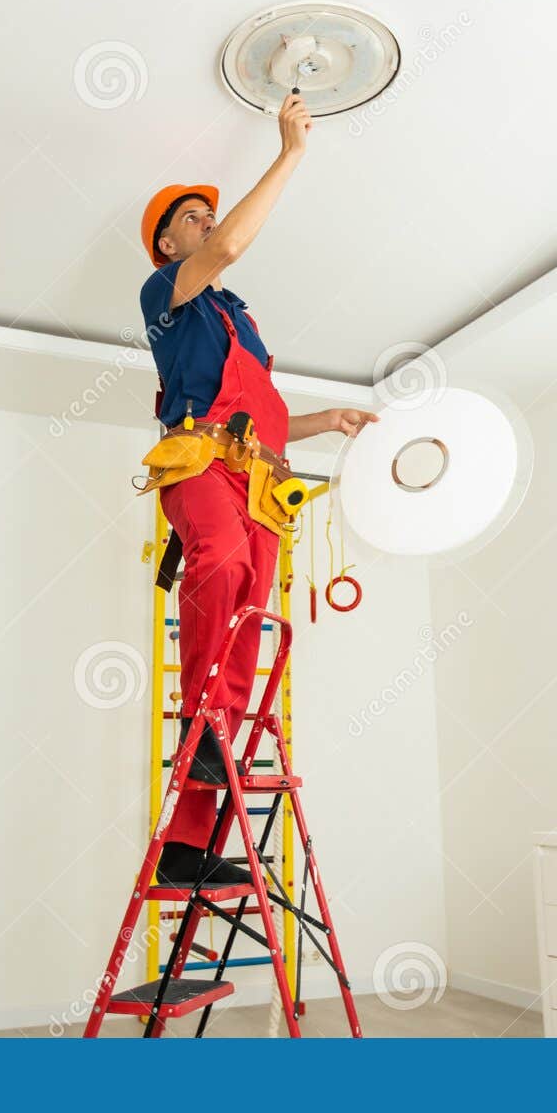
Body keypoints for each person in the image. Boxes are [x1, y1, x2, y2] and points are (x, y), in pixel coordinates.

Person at [137, 93, 377, 885]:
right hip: (202, 464)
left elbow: (262, 416)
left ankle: (190, 843)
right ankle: (204, 730)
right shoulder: (168, 296)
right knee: (221, 561)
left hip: (264, 477)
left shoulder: (238, 316)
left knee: (250, 619)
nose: (207, 221)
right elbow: (233, 245)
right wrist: (290, 152)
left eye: (209, 213)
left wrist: (321, 421)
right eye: (193, 217)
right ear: (168, 244)